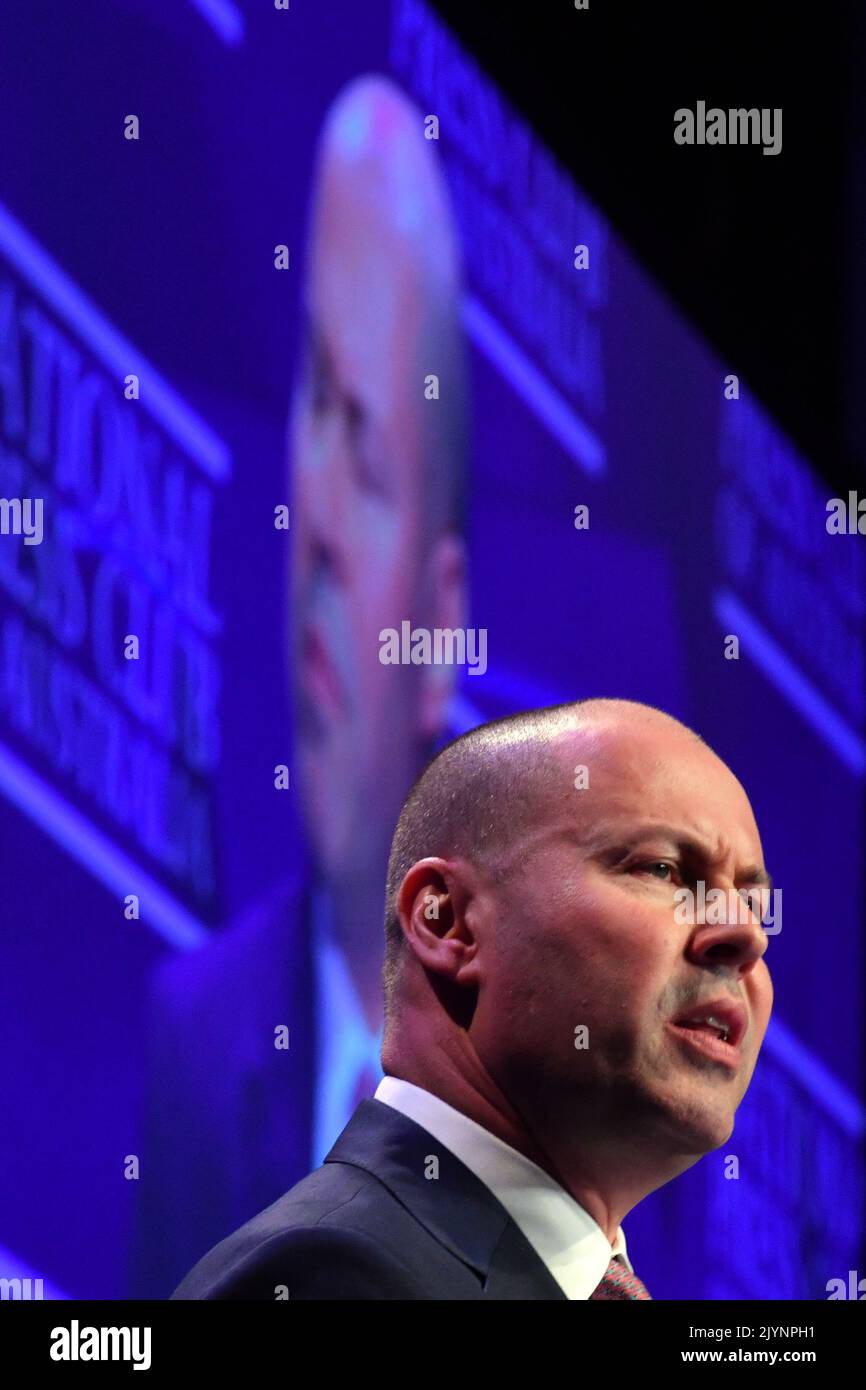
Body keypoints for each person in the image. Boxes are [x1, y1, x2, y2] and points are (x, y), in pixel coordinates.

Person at [131, 73, 469, 1298]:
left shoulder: (540, 1090)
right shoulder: (196, 1035)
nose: (315, 509)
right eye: (312, 404)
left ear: (440, 621)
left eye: (368, 458)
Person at [171, 697, 775, 1300]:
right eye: (664, 870)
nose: (744, 934)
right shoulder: (334, 1278)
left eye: (750, 902)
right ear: (447, 922)